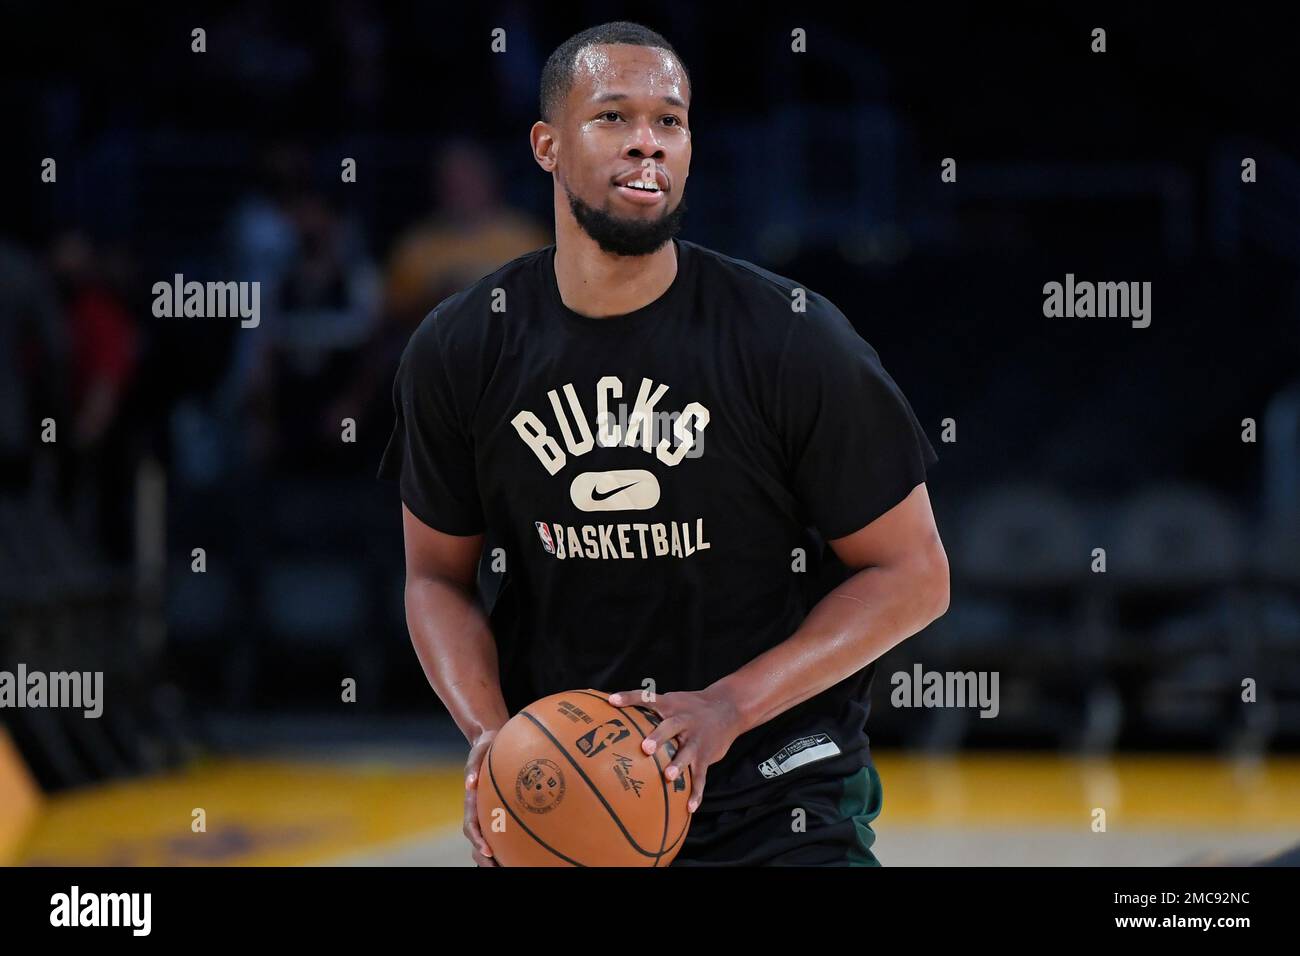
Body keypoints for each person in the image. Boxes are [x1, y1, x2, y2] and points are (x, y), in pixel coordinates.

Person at [378, 21, 949, 867]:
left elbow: (913, 574)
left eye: (670, 121)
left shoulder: (790, 340)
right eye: (613, 117)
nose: (647, 142)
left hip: (776, 791)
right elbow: (435, 576)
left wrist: (727, 706)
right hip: (571, 799)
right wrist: (495, 742)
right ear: (547, 145)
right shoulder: (465, 347)